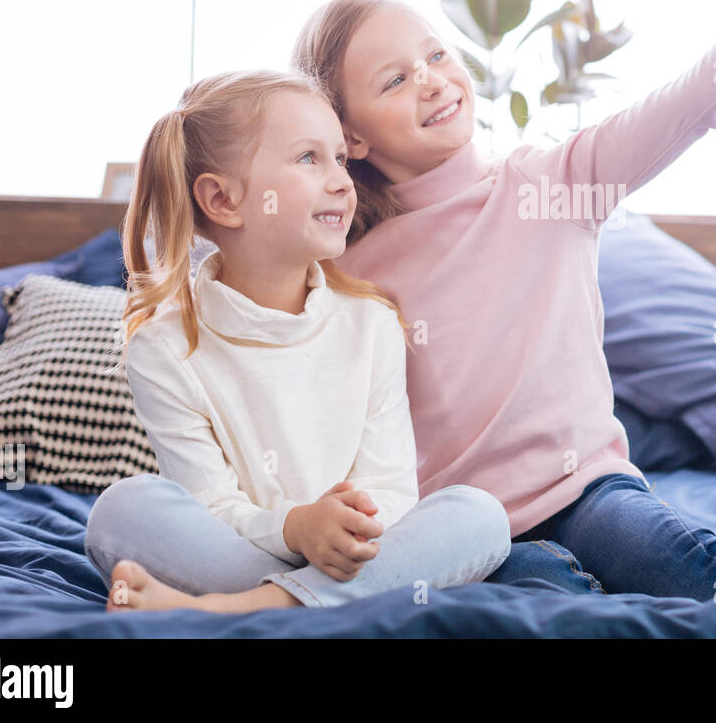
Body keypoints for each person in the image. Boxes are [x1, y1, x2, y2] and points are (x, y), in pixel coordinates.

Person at [288, 0, 716, 601]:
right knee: (532, 593)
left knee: (684, 572)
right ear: (350, 135)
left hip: (586, 493)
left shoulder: (555, 184)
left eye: (437, 56)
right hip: (455, 523)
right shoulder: (341, 265)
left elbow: (695, 102)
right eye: (395, 80)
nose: (433, 81)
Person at [83, 70, 512, 613]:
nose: (341, 180)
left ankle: (254, 609)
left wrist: (343, 529)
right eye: (309, 158)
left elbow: (392, 490)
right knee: (123, 508)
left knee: (479, 514)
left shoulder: (371, 324)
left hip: (356, 558)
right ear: (222, 199)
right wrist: (296, 528)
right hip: (246, 553)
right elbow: (211, 508)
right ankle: (315, 605)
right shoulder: (166, 348)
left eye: (340, 158)